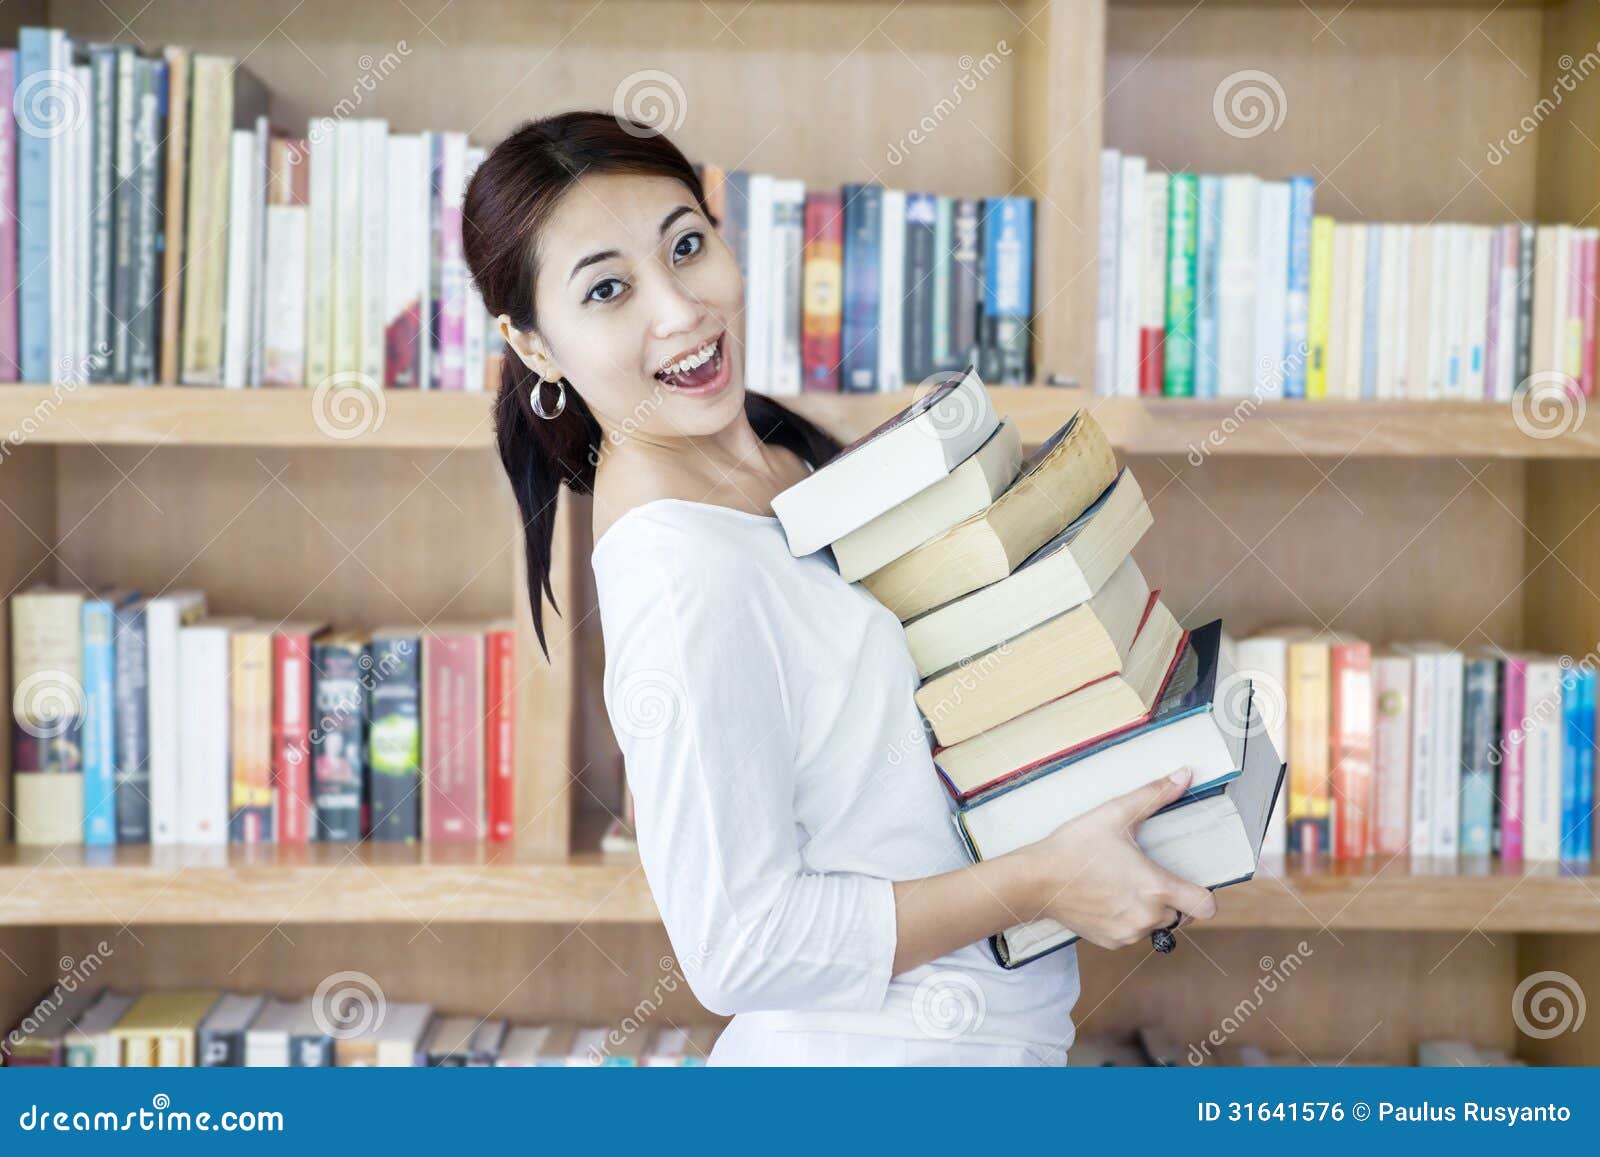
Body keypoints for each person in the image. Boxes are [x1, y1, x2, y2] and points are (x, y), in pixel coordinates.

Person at [462, 110, 1215, 1066]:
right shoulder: (676, 571)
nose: (682, 308)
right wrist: (1042, 882)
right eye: (608, 288)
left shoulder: (781, 460)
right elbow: (739, 946)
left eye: (687, 245)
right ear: (532, 344)